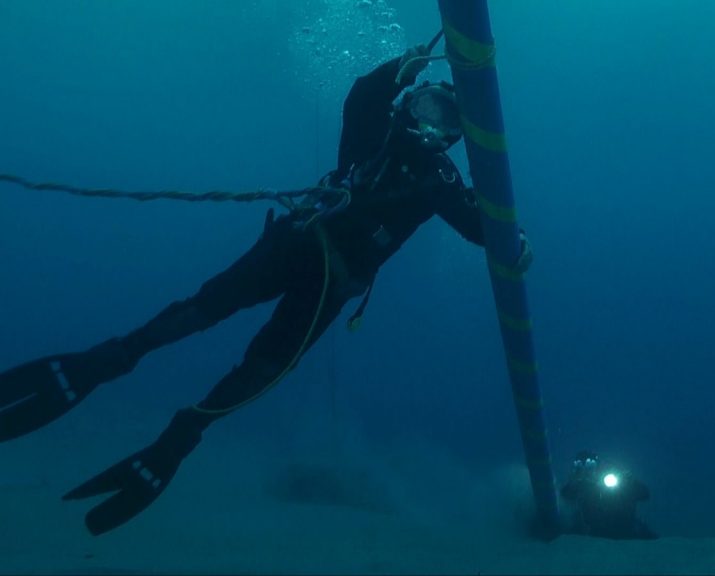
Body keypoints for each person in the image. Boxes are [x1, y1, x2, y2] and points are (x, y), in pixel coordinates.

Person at [0, 43, 532, 536]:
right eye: (429, 106)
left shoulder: (440, 179)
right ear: (411, 102)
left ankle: (183, 434)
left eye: (446, 121)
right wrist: (401, 65)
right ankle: (110, 358)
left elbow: (476, 225)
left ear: (454, 137)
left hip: (333, 286)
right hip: (298, 243)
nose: (431, 123)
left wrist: (513, 242)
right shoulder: (374, 130)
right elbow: (362, 95)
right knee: (204, 308)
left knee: (263, 369)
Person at [560, 450, 658, 540]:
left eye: (590, 466)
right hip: (592, 532)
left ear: (597, 467)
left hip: (623, 529)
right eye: (580, 467)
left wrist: (629, 482)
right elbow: (565, 495)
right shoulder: (578, 486)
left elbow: (644, 494)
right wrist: (573, 483)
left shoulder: (614, 481)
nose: (586, 472)